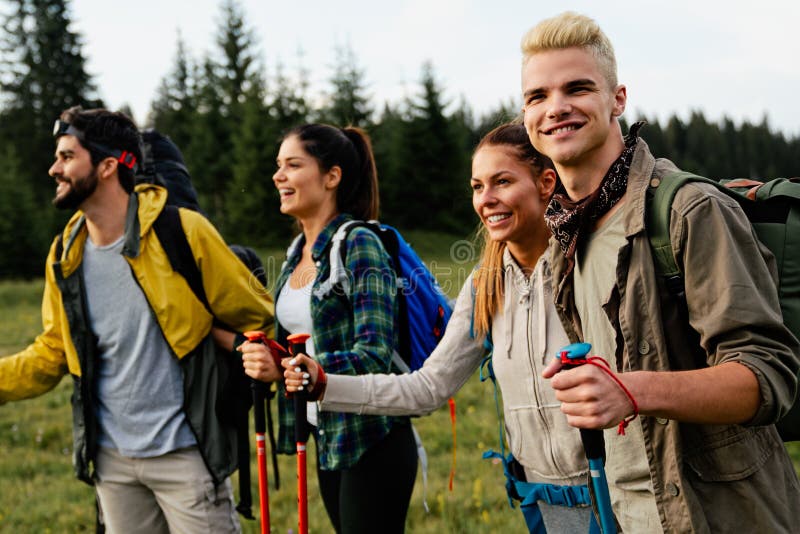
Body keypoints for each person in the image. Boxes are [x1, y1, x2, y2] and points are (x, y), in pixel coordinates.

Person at [519, 11, 800, 532]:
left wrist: (630, 390)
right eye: (537, 96)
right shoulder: (565, 233)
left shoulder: (688, 210)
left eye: (577, 88)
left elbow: (768, 377)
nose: (556, 108)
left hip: (726, 517)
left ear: (618, 99)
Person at [277, 123, 597, 533]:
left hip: (611, 483)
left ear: (546, 182)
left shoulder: (587, 263)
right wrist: (325, 385)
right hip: (541, 493)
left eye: (502, 182)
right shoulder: (485, 285)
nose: (487, 199)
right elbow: (427, 388)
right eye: (477, 186)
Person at [0, 107, 275, 533]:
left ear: (108, 166)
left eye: (68, 156)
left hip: (185, 455)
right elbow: (54, 351)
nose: (55, 168)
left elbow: (256, 316)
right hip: (112, 462)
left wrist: (265, 361)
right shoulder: (64, 253)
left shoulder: (183, 232)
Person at [239, 123, 418, 534]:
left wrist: (287, 365)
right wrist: (269, 356)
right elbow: (294, 344)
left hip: (373, 436)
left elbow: (373, 352)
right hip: (326, 432)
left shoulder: (358, 243)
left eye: (293, 165)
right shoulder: (295, 253)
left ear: (331, 177)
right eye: (277, 165)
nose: (278, 176)